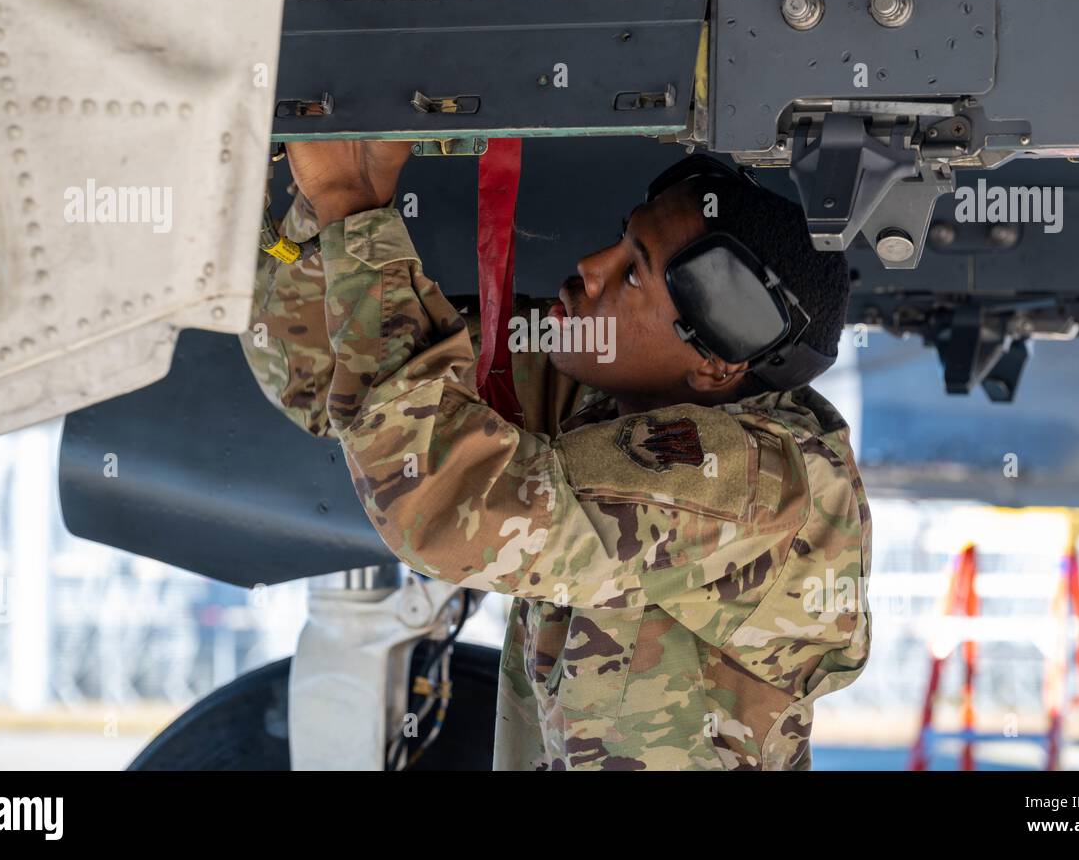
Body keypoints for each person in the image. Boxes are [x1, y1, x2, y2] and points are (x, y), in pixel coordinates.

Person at [242, 139, 871, 770]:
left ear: (712, 363)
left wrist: (351, 206)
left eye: (632, 272)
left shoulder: (747, 488)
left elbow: (442, 502)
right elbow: (321, 378)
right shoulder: (623, 400)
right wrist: (339, 201)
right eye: (619, 241)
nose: (589, 266)